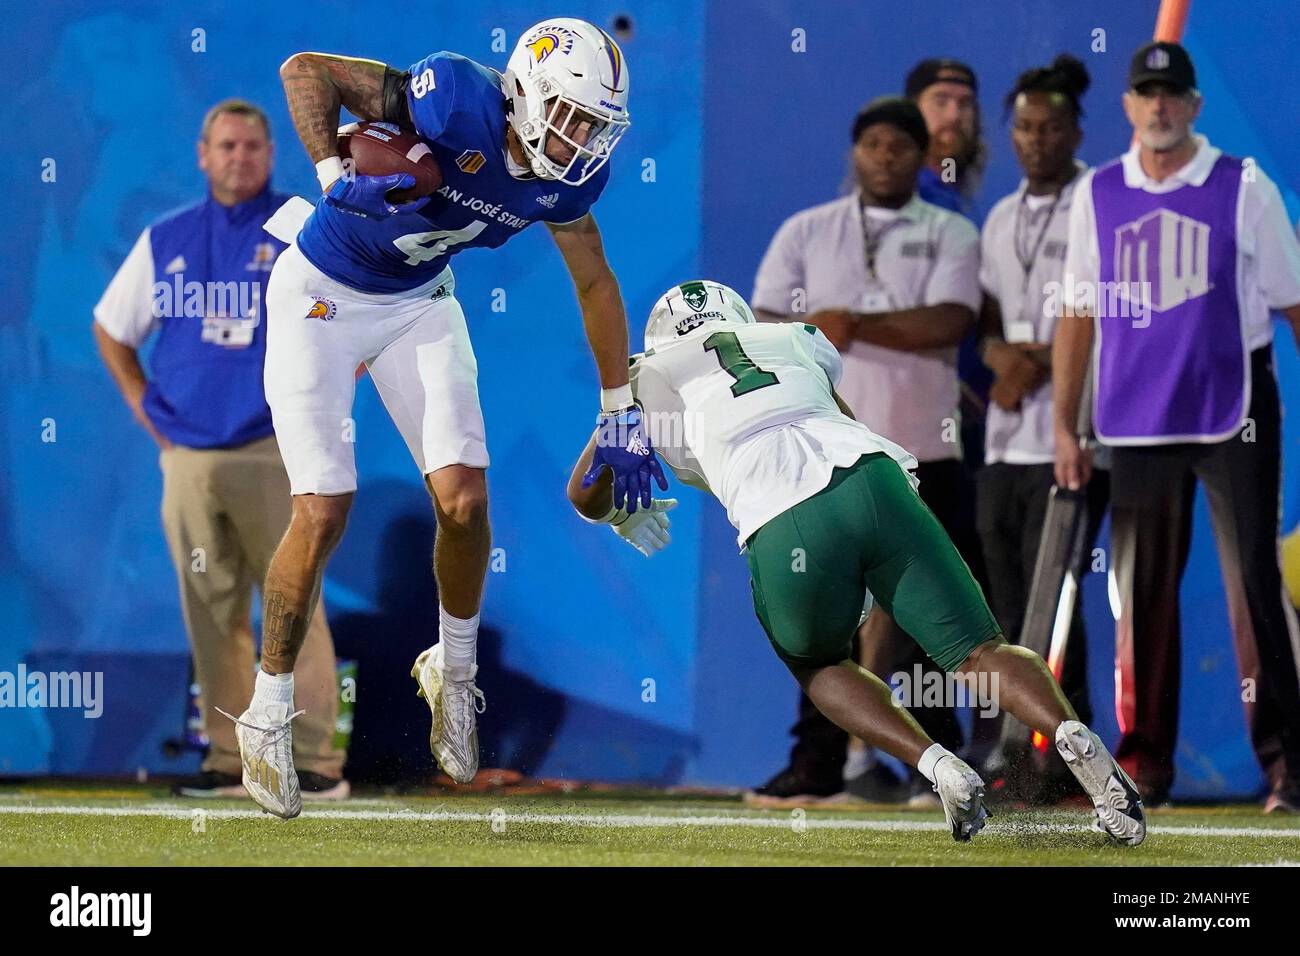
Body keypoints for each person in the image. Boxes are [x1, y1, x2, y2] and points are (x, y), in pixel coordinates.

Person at [227, 18, 663, 819]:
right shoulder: (454, 97)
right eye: (572, 116)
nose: (581, 141)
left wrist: (619, 409)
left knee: (464, 501)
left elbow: (595, 281)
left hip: (418, 301)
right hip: (320, 295)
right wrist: (330, 176)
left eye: (596, 127)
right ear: (526, 94)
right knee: (323, 510)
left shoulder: (568, 182)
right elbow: (303, 69)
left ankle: (454, 675)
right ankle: (265, 711)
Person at [568, 279, 1146, 846]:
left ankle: (936, 764)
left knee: (819, 666)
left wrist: (618, 512)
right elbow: (845, 424)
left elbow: (584, 492)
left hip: (781, 515)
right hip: (875, 479)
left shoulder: (642, 377)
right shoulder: (791, 338)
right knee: (979, 651)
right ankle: (1077, 740)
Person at [1054, 41, 1300, 811]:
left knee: (1254, 585)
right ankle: (1146, 766)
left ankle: (1289, 765)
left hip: (1234, 409)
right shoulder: (1095, 194)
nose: (1159, 108)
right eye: (1145, 94)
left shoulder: (1244, 187)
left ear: (1195, 107)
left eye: (1173, 95)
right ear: (1128, 107)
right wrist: (1067, 424)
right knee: (1141, 594)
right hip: (1138, 419)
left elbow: (1294, 304)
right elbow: (1076, 314)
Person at [92, 99, 347, 800]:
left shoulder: (304, 230)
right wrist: (146, 407)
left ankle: (315, 762)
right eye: (227, 146)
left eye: (254, 147)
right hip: (189, 459)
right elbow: (111, 327)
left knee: (297, 601)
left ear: (271, 156)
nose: (241, 157)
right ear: (203, 156)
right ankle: (232, 762)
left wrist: (324, 391)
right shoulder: (166, 239)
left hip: (276, 448)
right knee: (211, 606)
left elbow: (350, 311)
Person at [751, 97, 981, 803]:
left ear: (922, 156)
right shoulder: (806, 231)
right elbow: (760, 327)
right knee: (821, 616)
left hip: (923, 449)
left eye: (901, 147)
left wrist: (841, 323)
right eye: (873, 144)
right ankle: (822, 764)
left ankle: (930, 765)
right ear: (855, 152)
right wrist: (816, 332)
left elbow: (949, 321)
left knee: (931, 615)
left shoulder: (950, 232)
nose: (886, 157)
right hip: (824, 460)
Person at [975, 55, 1102, 796]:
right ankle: (1010, 751)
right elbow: (986, 323)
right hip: (1002, 441)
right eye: (1023, 127)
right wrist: (1002, 357)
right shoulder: (997, 217)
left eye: (1051, 128)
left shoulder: (1097, 202)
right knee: (1002, 604)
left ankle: (1064, 755)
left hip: (1071, 441)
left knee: (1059, 609)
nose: (1035, 140)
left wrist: (1036, 364)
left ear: (1076, 130)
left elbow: (1104, 319)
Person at [905, 58, 985, 221]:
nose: (954, 116)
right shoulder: (896, 199)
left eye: (965, 104)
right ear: (912, 111)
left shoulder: (954, 189)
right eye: (940, 102)